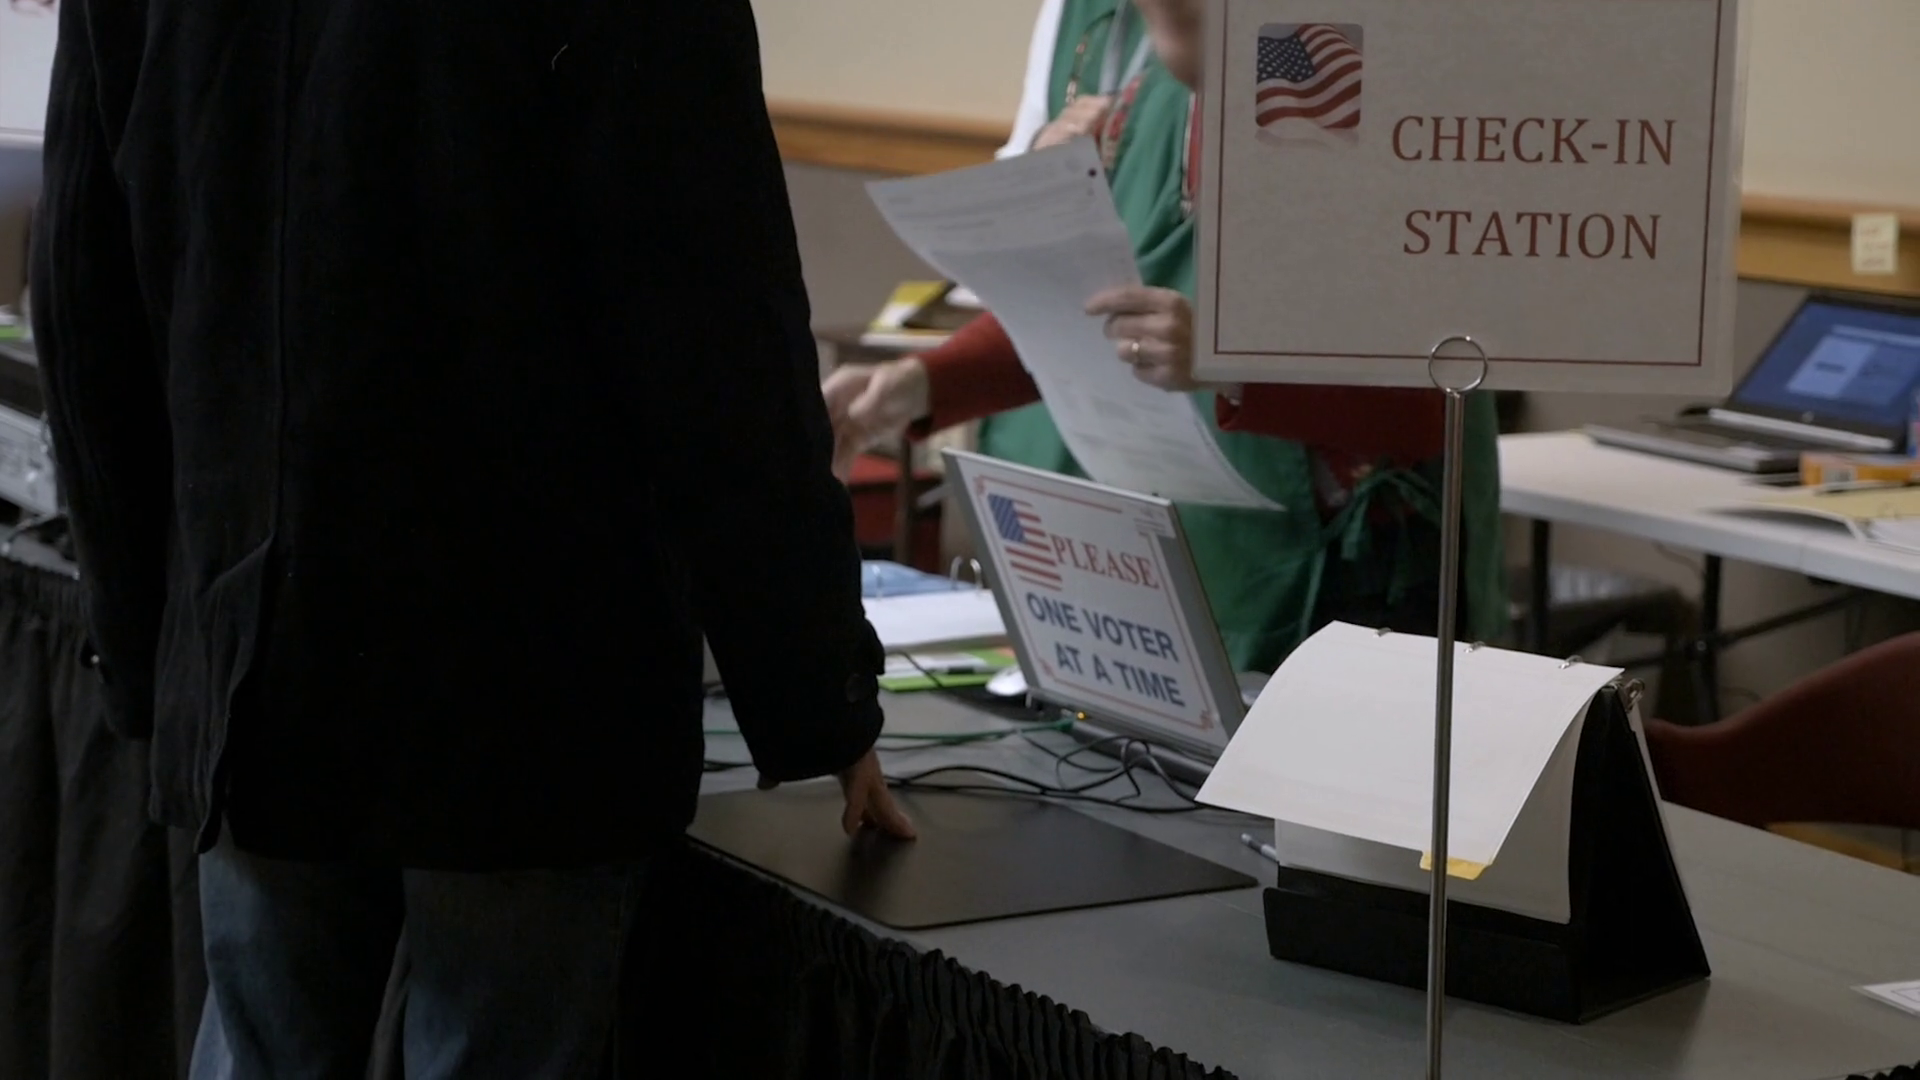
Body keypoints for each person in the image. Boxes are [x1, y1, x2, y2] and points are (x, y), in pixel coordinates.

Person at [30, 1, 913, 1077]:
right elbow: (717, 331)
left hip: (255, 646)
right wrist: (820, 692)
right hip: (529, 683)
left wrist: (144, 649)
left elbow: (83, 292)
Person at [826, 0, 1506, 670]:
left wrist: (1232, 360)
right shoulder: (1144, 96)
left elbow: (1433, 397)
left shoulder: (1359, 81)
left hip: (1347, 596)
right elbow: (1098, 306)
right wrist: (917, 385)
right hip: (1191, 573)